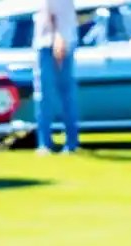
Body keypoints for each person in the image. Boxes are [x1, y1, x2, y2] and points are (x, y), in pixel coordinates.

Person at [32, 0, 80, 154]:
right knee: (55, 95)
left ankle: (57, 143)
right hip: (50, 42)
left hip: (54, 43)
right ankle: (51, 142)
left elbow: (56, 16)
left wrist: (58, 41)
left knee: (55, 94)